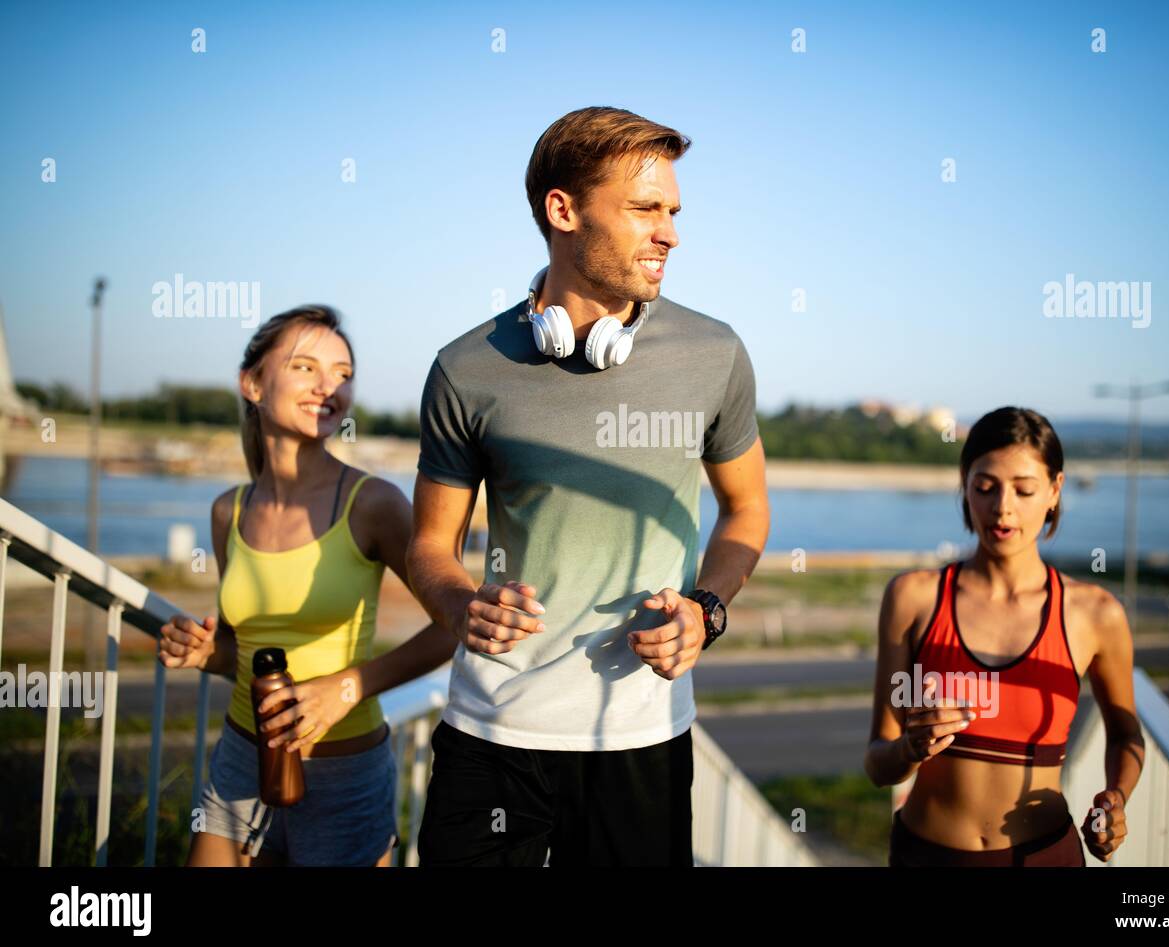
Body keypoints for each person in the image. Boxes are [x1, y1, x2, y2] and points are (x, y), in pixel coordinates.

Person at [407, 106, 771, 866]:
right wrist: (457, 604)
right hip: (491, 738)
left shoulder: (716, 352)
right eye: (644, 210)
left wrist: (708, 609)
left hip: (640, 740)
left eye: (672, 211)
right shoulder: (464, 368)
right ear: (562, 211)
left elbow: (746, 511)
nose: (670, 233)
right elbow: (430, 548)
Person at [157, 305, 459, 867]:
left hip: (344, 775)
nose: (330, 388)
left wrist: (344, 688)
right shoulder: (228, 511)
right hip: (241, 759)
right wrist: (205, 651)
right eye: (305, 368)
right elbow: (239, 651)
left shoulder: (372, 504)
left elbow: (454, 624)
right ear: (252, 383)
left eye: (343, 374)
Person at [865, 406, 1145, 866]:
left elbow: (1124, 732)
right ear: (964, 484)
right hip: (924, 855)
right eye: (985, 487)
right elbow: (877, 764)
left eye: (1024, 489)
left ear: (1055, 490)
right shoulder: (912, 597)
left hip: (1042, 856)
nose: (1002, 508)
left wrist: (1117, 798)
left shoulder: (1095, 614)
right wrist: (909, 749)